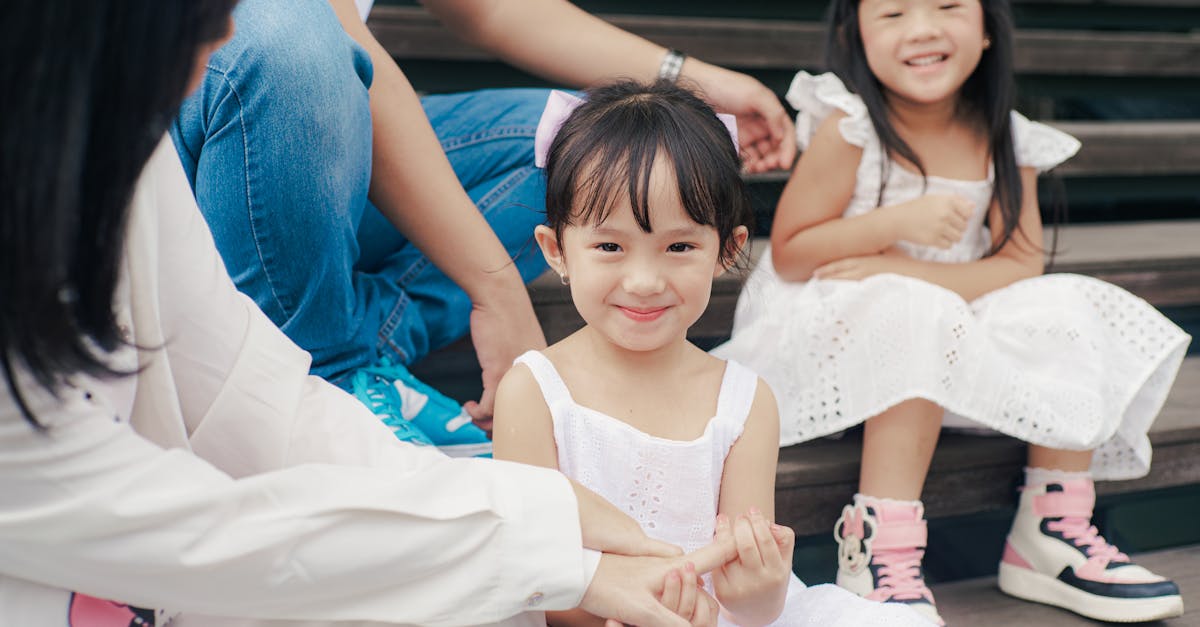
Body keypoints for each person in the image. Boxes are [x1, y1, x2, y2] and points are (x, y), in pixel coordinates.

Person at [0, 3, 741, 626]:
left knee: (575, 143)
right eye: (206, 14)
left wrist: (537, 505)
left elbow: (247, 383)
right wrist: (539, 548)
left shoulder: (128, 144)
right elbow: (188, 529)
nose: (225, 38)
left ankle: (358, 352)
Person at [711, 0, 1190, 623]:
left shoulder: (1004, 135)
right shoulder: (851, 125)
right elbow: (795, 254)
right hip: (830, 339)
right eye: (892, 13)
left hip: (938, 322)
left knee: (1067, 298)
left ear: (989, 27)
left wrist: (909, 268)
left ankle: (1053, 527)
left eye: (947, 6)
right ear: (854, 33)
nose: (923, 28)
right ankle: (878, 550)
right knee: (916, 309)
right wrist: (894, 225)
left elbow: (1020, 265)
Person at [170, 0, 797, 457]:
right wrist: (494, 288)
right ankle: (324, 372)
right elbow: (328, 49)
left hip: (315, 140)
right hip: (178, 155)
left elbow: (494, 9)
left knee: (576, 147)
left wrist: (698, 83)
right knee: (294, 41)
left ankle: (365, 349)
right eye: (612, 250)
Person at [492, 80, 929, 627]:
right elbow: (526, 576)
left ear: (727, 250)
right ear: (556, 251)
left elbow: (752, 597)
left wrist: (755, 591)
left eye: (679, 247)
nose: (645, 280)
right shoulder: (534, 392)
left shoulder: (744, 402)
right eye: (609, 246)